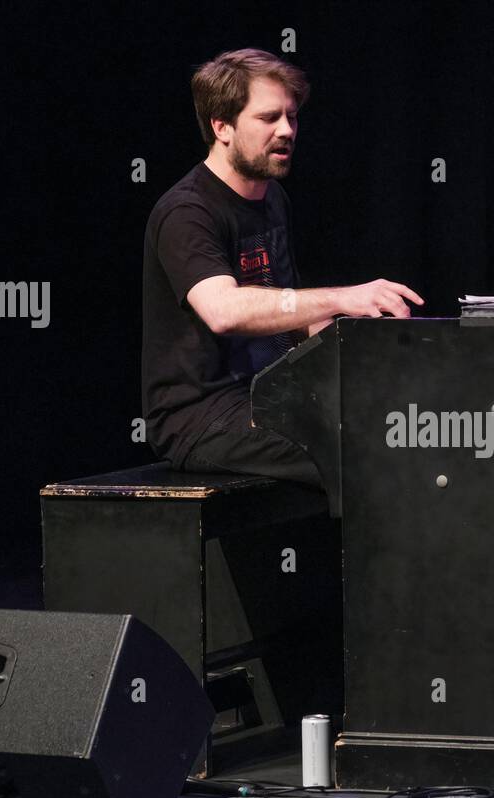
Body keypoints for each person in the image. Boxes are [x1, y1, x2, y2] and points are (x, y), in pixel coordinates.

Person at [142, 48, 423, 487]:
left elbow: (287, 320)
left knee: (408, 422)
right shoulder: (187, 212)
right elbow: (224, 310)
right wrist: (342, 295)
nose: (287, 130)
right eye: (269, 117)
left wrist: (376, 337)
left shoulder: (273, 199)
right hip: (202, 415)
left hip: (270, 393)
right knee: (366, 444)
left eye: (292, 117)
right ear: (222, 126)